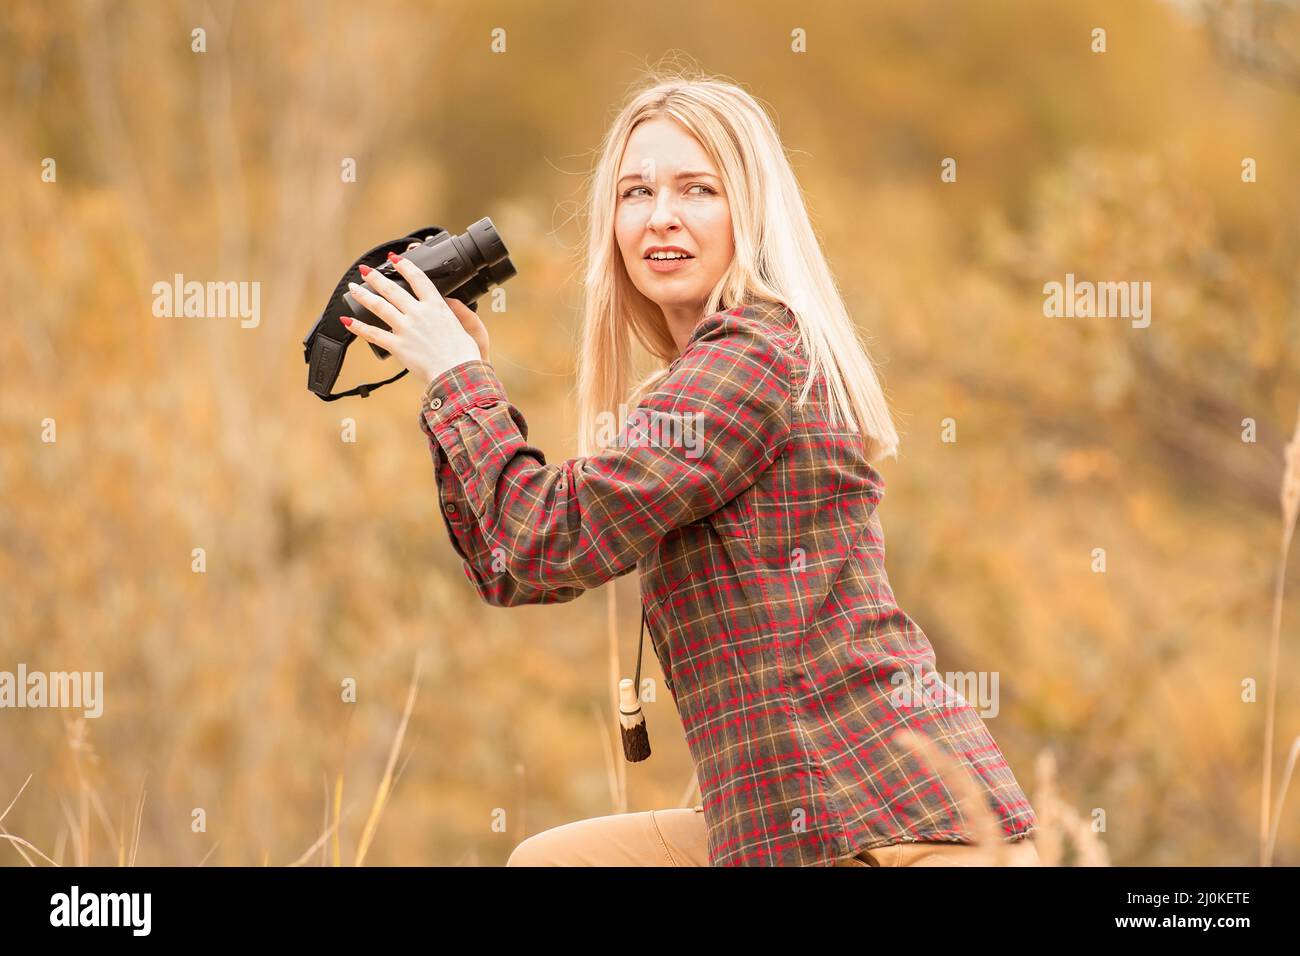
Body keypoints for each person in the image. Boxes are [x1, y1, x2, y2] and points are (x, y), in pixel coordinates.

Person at [340, 71, 1040, 867]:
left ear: (751, 211)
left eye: (697, 189)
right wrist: (463, 384)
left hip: (892, 832)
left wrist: (458, 378)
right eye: (635, 192)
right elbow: (511, 564)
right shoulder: (710, 375)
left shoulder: (753, 356)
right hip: (793, 823)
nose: (661, 216)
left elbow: (542, 536)